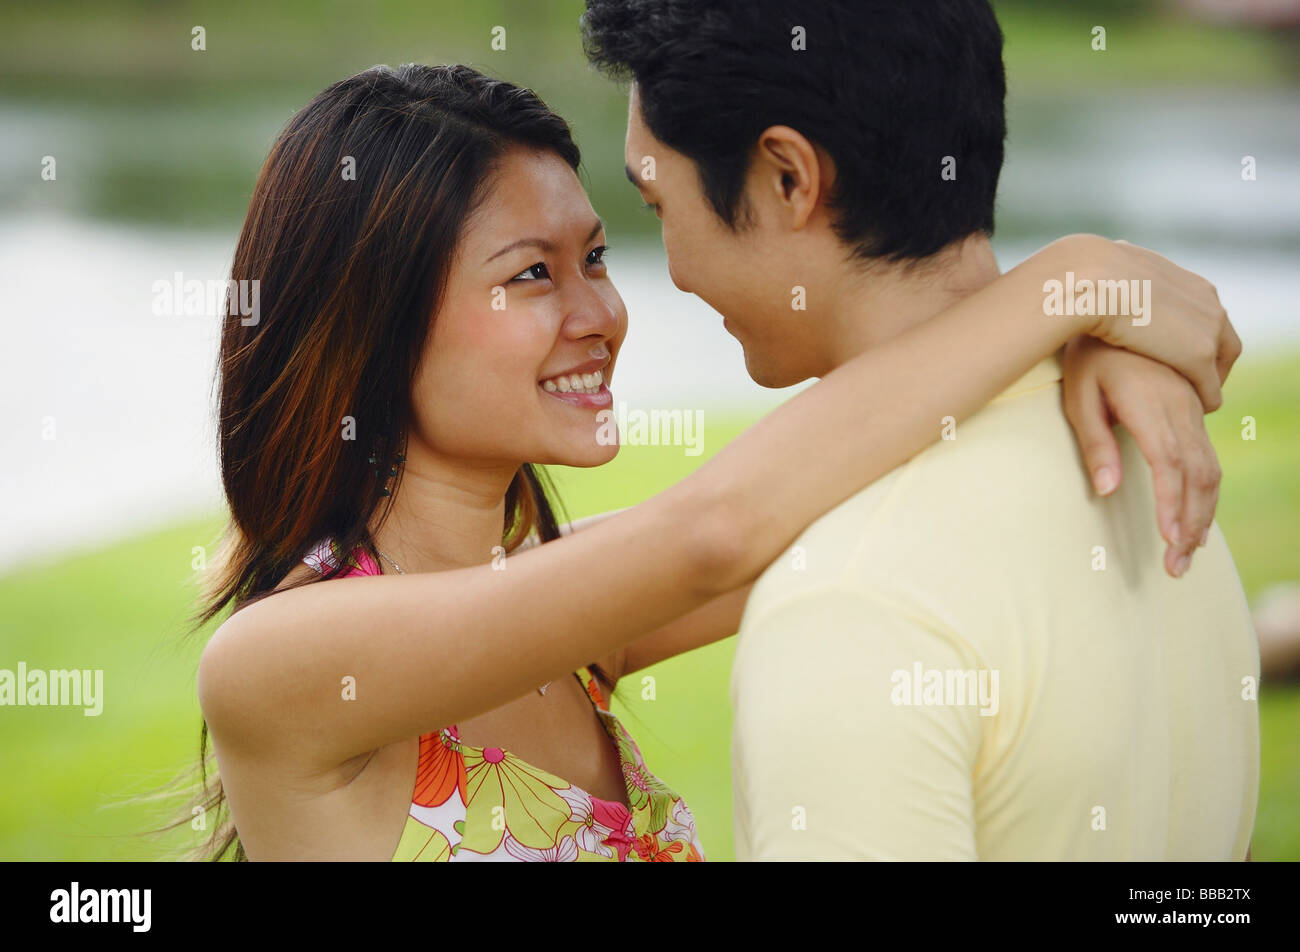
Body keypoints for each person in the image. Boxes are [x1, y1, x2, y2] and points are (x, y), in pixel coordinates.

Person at [194, 61, 1238, 862]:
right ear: (371, 319)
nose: (599, 314)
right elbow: (716, 529)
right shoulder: (283, 663)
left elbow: (857, 458)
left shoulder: (568, 635)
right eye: (531, 275)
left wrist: (1086, 349)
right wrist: (1074, 278)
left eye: (596, 258)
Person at [580, 0, 1258, 859]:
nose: (669, 273)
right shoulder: (1153, 467)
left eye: (656, 203)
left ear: (788, 177)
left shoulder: (848, 600)